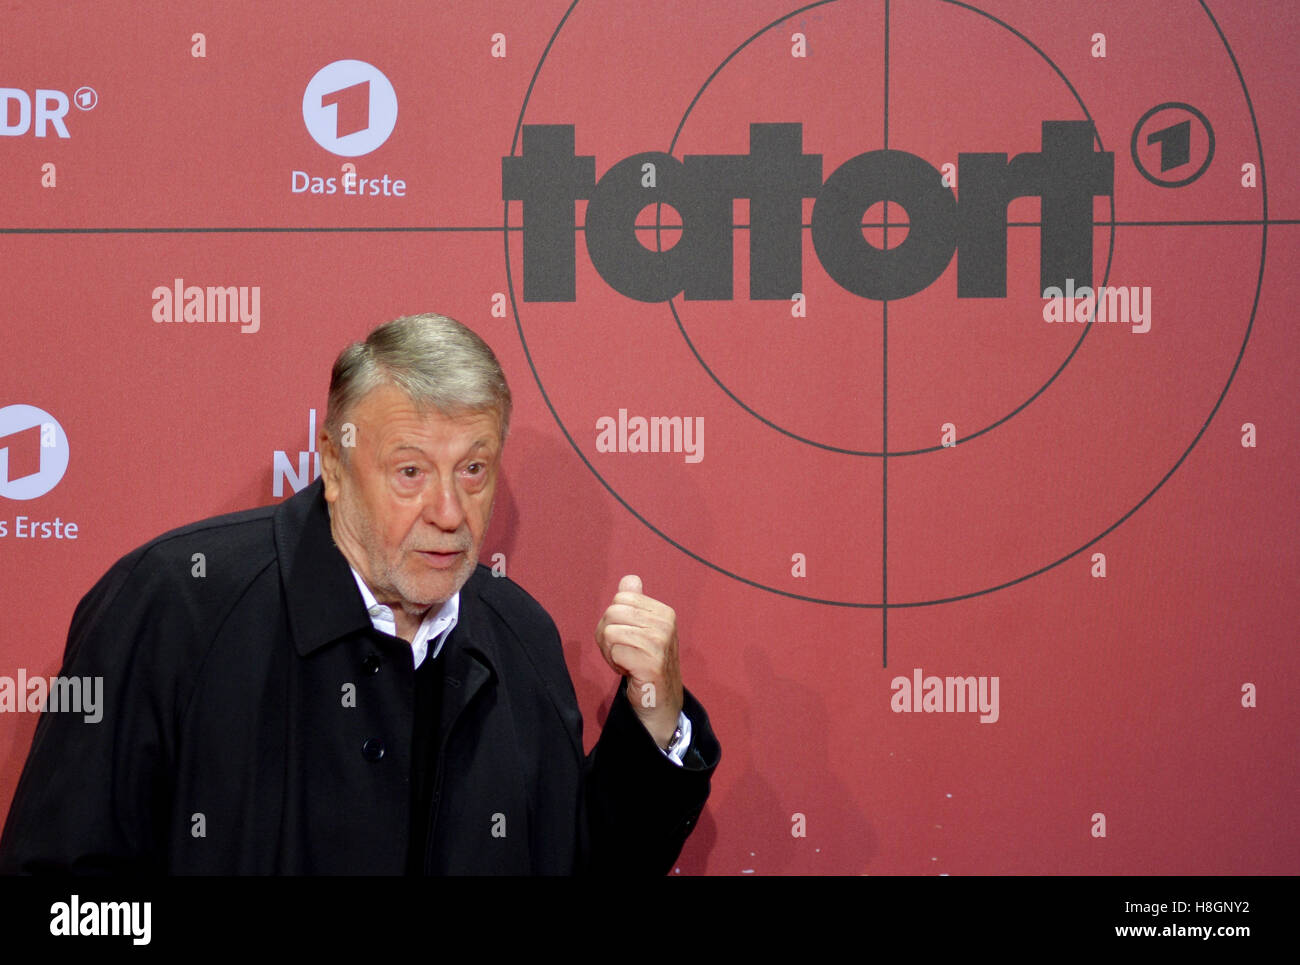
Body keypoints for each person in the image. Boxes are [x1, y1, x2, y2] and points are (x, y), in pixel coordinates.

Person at [0, 313, 719, 874]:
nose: (448, 510)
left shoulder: (520, 635)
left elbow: (579, 866)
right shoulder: (174, 601)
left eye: (473, 470)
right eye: (410, 471)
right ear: (335, 467)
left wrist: (653, 717)